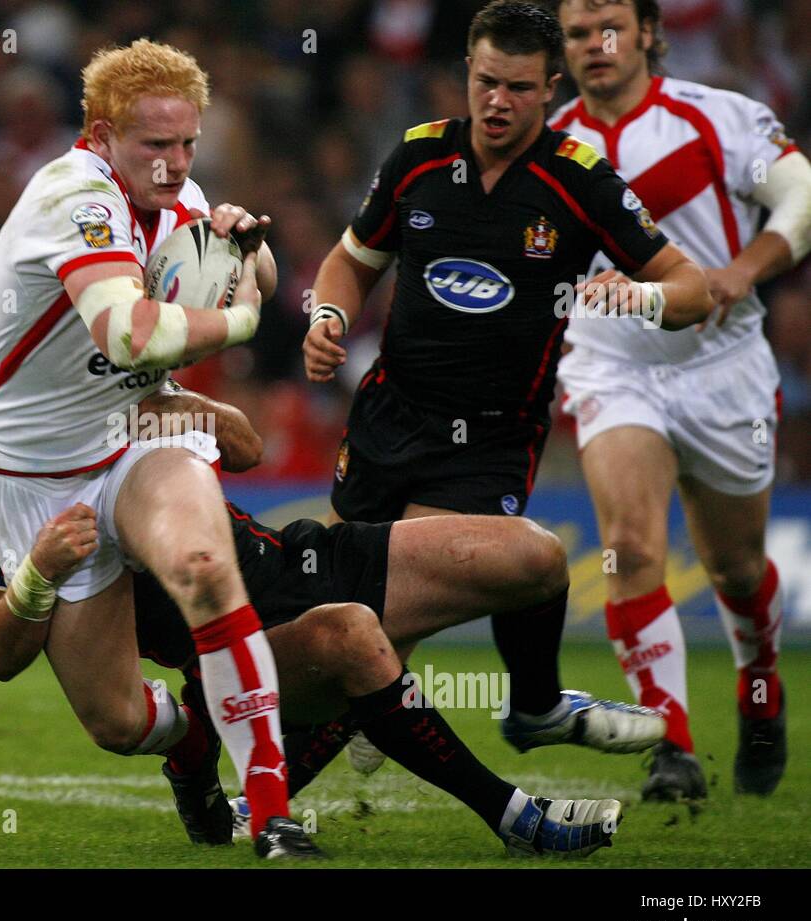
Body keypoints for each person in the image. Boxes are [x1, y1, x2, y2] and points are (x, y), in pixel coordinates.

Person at [0, 283, 659, 860]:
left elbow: (246, 444)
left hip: (303, 555)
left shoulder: (120, 406)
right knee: (354, 637)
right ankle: (516, 817)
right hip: (248, 642)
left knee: (534, 555)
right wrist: (37, 572)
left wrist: (157, 405)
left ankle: (528, 710)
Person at [299, 0, 712, 774]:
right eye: (487, 81)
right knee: (343, 603)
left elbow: (689, 286)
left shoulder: (579, 182)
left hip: (487, 439)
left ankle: (270, 795)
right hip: (386, 417)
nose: (498, 101)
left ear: (551, 88)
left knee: (371, 613)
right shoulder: (418, 156)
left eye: (519, 88)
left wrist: (644, 296)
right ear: (466, 71)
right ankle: (476, 704)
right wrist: (326, 315)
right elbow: (352, 259)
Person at [0, 39, 315, 858]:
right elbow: (128, 334)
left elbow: (257, 273)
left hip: (135, 430)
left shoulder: (182, 193)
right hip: (35, 472)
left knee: (202, 566)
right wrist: (236, 321)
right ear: (101, 134)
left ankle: (272, 812)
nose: (175, 163)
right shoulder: (73, 196)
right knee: (119, 721)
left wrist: (244, 242)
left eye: (187, 143)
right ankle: (194, 748)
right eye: (154, 145)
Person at [547, 0, 811, 800]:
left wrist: (743, 270)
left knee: (734, 566)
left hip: (723, 363)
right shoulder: (549, 144)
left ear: (649, 33)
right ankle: (673, 744)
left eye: (610, 27)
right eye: (577, 33)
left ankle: (759, 681)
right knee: (629, 542)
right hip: (612, 364)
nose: (595, 45)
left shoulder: (722, 117)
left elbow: (801, 198)